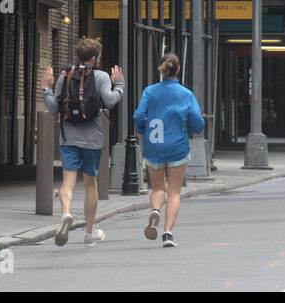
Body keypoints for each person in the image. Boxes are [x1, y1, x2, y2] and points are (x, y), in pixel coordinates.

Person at [41, 38, 124, 247]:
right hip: (93, 140)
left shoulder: (65, 75)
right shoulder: (102, 76)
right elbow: (110, 101)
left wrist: (45, 88)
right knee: (90, 184)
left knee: (67, 182)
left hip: (69, 138)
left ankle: (66, 214)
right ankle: (89, 233)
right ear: (95, 58)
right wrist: (120, 84)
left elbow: (53, 107)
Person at [134, 53, 205, 248]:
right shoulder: (185, 94)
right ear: (178, 70)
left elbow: (139, 115)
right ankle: (167, 233)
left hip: (154, 144)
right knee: (174, 192)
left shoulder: (150, 92)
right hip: (177, 146)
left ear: (161, 69)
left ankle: (155, 208)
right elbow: (197, 123)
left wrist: (142, 131)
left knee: (158, 188)